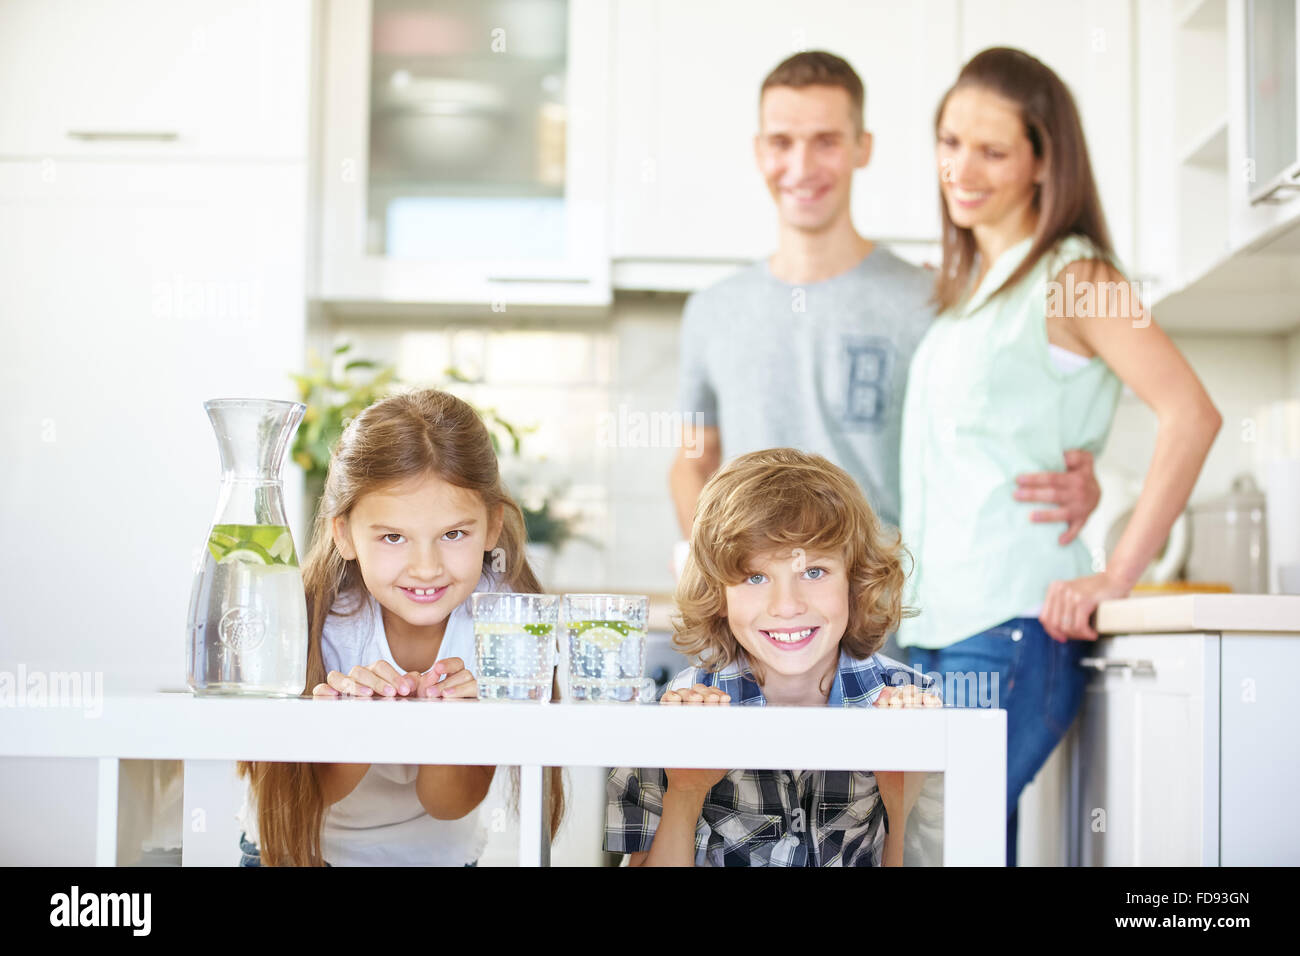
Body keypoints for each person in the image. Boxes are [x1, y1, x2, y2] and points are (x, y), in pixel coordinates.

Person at [898, 48, 1223, 866]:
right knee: (954, 848)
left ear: (1045, 161)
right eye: (949, 142)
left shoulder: (1074, 275)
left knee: (946, 845)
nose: (960, 169)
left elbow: (1191, 413)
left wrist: (1114, 572)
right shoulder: (977, 286)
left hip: (1011, 627)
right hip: (939, 625)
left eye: (993, 151)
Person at [669, 50, 1102, 660]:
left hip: (889, 638)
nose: (800, 165)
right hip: (754, 639)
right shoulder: (710, 311)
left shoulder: (936, 298)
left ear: (862, 147)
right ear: (758, 149)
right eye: (781, 141)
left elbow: (992, 424)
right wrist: (727, 571)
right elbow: (691, 457)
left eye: (825, 141)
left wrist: (1079, 477)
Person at [235, 388, 564, 866]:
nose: (426, 568)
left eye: (453, 534)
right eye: (393, 537)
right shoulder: (322, 617)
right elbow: (314, 792)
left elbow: (449, 803)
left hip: (435, 857)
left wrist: (454, 726)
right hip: (299, 853)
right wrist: (361, 727)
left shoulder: (506, 622)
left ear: (492, 527)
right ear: (344, 533)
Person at [608, 448, 944, 867]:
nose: (786, 605)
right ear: (719, 594)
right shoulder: (679, 706)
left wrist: (901, 802)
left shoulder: (912, 706)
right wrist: (687, 791)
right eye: (755, 576)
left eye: (814, 572)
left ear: (855, 580)